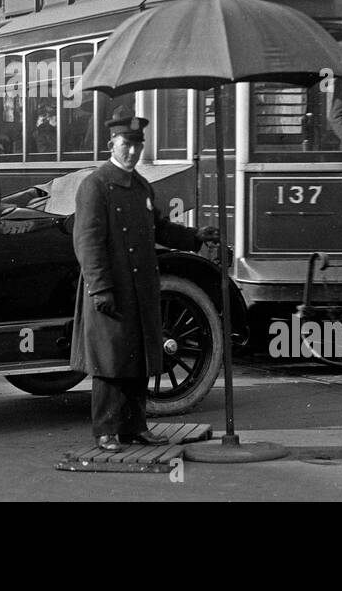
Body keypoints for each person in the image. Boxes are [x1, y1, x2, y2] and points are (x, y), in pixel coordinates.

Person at [69, 109, 218, 452]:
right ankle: (105, 430)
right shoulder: (95, 185)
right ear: (112, 144)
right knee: (109, 362)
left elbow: (160, 228)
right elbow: (87, 243)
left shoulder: (140, 186)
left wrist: (195, 236)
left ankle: (135, 426)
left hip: (140, 289)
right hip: (111, 288)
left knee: (137, 358)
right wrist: (100, 287)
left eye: (139, 145)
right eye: (127, 144)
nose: (134, 151)